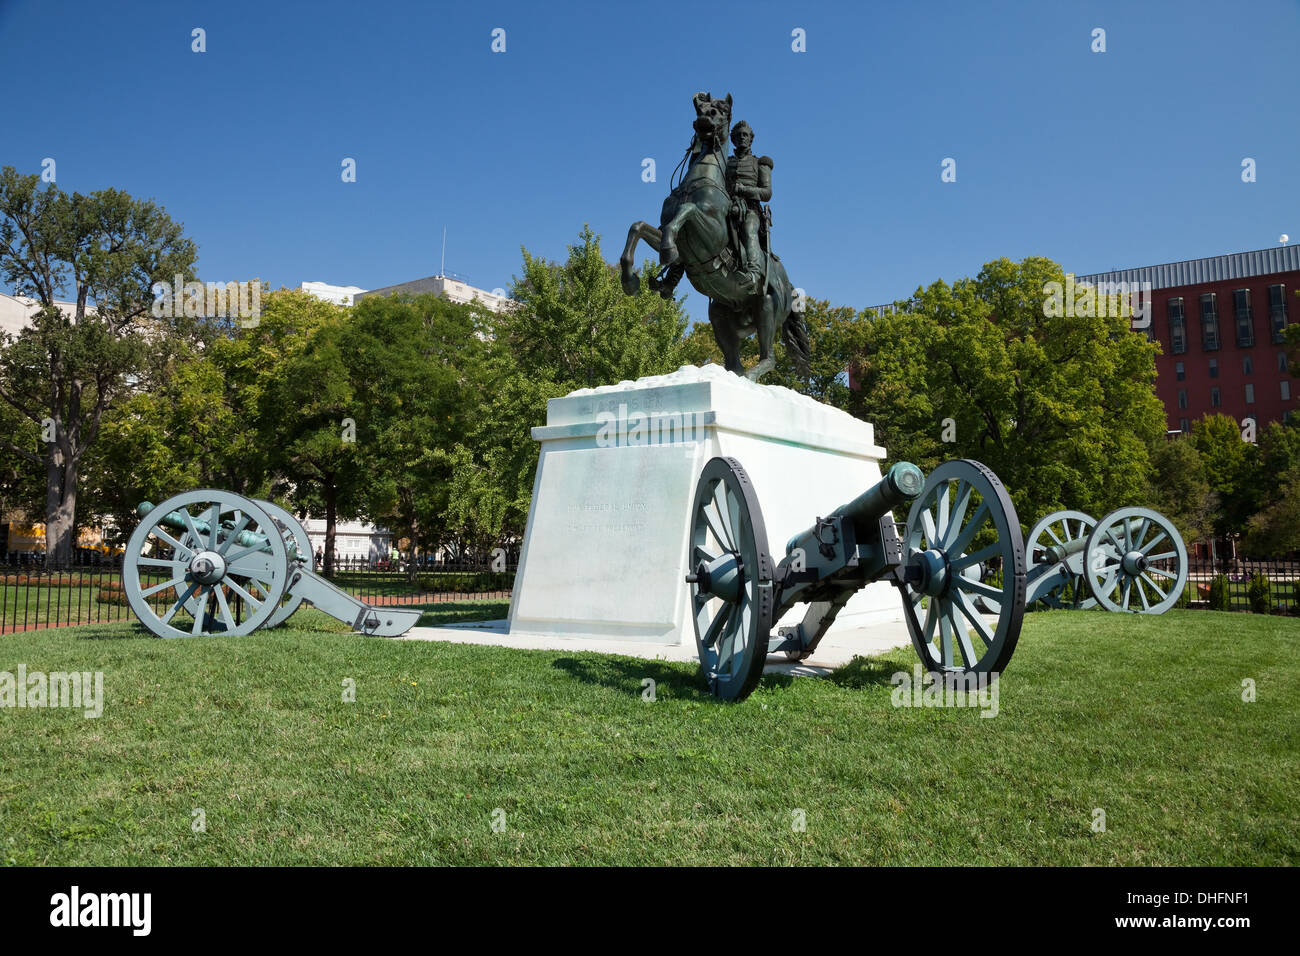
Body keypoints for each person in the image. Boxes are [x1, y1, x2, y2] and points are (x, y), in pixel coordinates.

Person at [724, 121, 773, 297]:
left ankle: (753, 273)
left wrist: (744, 190)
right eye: (738, 135)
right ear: (732, 139)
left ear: (751, 139)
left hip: (750, 209)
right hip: (727, 207)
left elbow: (767, 193)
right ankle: (673, 276)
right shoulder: (725, 162)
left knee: (749, 229)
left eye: (745, 135)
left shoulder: (760, 163)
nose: (742, 138)